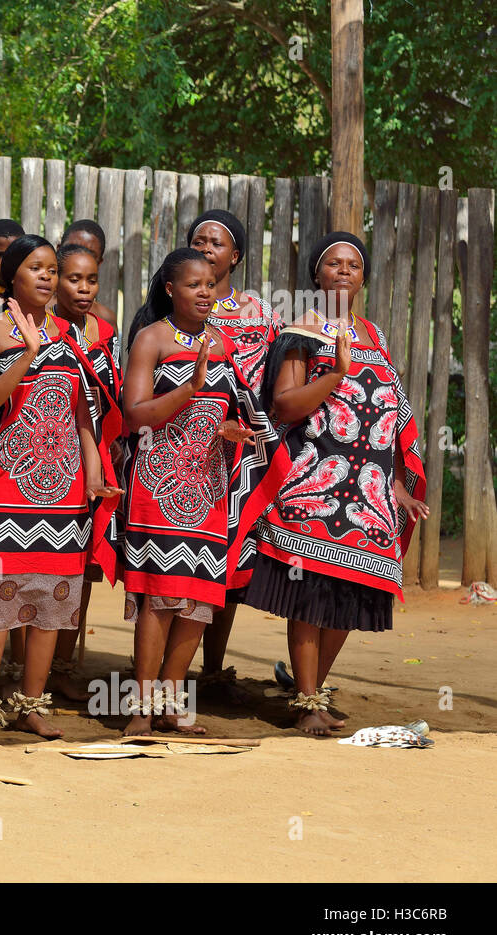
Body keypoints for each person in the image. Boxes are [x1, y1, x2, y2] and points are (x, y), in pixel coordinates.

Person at [245, 232, 428, 736]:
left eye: (353, 265)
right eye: (334, 264)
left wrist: (398, 484)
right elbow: (284, 405)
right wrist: (336, 373)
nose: (344, 271)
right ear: (317, 276)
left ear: (363, 277)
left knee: (352, 594)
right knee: (309, 596)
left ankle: (315, 693)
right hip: (316, 481)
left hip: (370, 493)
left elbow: (389, 417)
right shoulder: (302, 331)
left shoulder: (375, 335)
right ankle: (306, 701)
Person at [115, 247, 288, 736]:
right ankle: (141, 708)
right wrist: (185, 392)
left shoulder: (220, 344)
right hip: (158, 486)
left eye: (210, 284)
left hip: (210, 490)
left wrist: (232, 429)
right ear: (171, 289)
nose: (205, 292)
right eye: (194, 284)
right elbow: (133, 415)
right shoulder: (150, 339)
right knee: (159, 600)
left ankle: (172, 703)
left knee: (196, 602)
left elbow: (228, 409)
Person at [0, 235, 123, 739]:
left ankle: (32, 705)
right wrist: (27, 355)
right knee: (1, 599)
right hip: (6, 486)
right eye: (37, 268)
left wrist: (94, 469)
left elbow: (83, 414)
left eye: (53, 269)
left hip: (66, 487)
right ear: (12, 276)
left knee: (54, 599)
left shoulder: (74, 335)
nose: (48, 277)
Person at [186, 209, 285, 699]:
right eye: (199, 240)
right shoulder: (177, 306)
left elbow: (273, 382)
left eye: (217, 243)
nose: (207, 248)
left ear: (236, 256)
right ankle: (163, 671)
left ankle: (214, 669)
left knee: (231, 560)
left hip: (243, 455)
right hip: (183, 449)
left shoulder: (260, 313)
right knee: (183, 560)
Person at [50, 242, 124, 699]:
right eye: (73, 279)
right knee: (39, 567)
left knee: (81, 567)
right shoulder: (44, 330)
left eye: (90, 280)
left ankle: (60, 665)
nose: (82, 288)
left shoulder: (105, 331)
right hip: (48, 456)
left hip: (95, 455)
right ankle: (27, 669)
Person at [58, 219, 117, 325]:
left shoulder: (105, 320)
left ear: (99, 262)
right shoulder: (37, 311)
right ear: (58, 250)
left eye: (90, 254)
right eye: (72, 249)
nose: (81, 258)